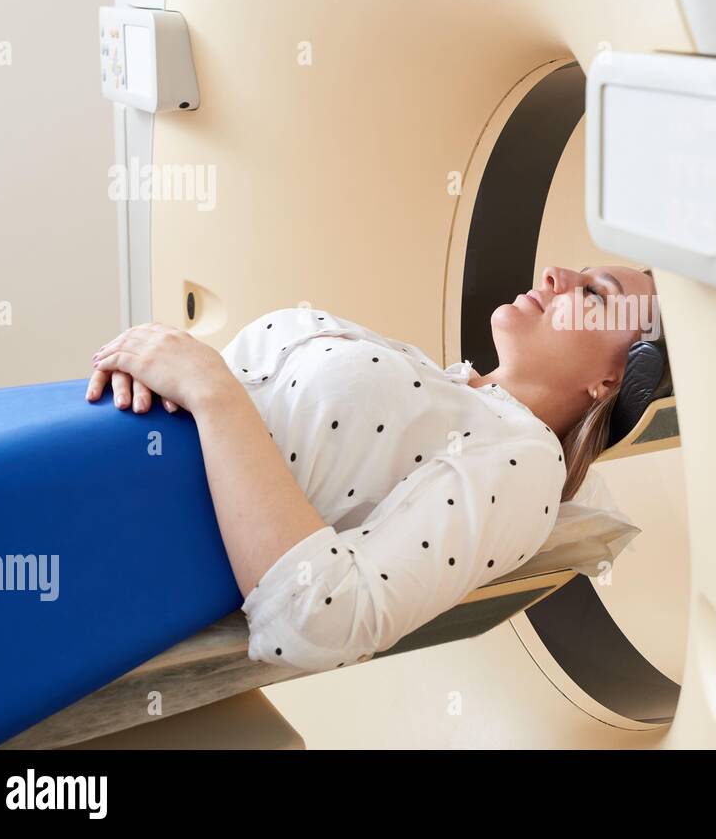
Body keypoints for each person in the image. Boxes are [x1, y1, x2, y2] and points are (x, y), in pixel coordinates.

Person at [84, 265, 664, 672]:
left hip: (109, 522)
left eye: (594, 294)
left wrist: (211, 390)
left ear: (610, 381)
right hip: (82, 431)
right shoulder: (439, 384)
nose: (555, 275)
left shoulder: (525, 462)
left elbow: (321, 621)